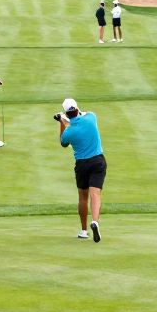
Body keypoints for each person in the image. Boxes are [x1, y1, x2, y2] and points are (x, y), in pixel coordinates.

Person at [57, 98, 105, 242]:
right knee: (95, 194)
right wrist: (66, 118)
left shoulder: (69, 132)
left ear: (67, 113)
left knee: (83, 197)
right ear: (77, 108)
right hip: (97, 161)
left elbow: (63, 143)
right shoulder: (91, 117)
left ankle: (84, 231)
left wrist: (61, 122)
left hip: (82, 165)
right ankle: (95, 221)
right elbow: (83, 114)